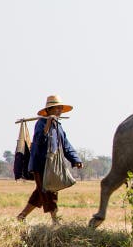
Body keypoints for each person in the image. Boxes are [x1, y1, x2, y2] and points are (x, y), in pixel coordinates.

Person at [17, 95, 83, 224]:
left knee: (41, 192)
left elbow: (65, 145)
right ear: (48, 110)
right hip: (40, 165)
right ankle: (55, 220)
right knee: (49, 191)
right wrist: (47, 124)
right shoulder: (41, 123)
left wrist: (75, 159)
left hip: (52, 165)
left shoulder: (58, 126)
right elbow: (39, 141)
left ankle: (22, 216)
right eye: (56, 108)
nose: (59, 111)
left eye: (60, 109)